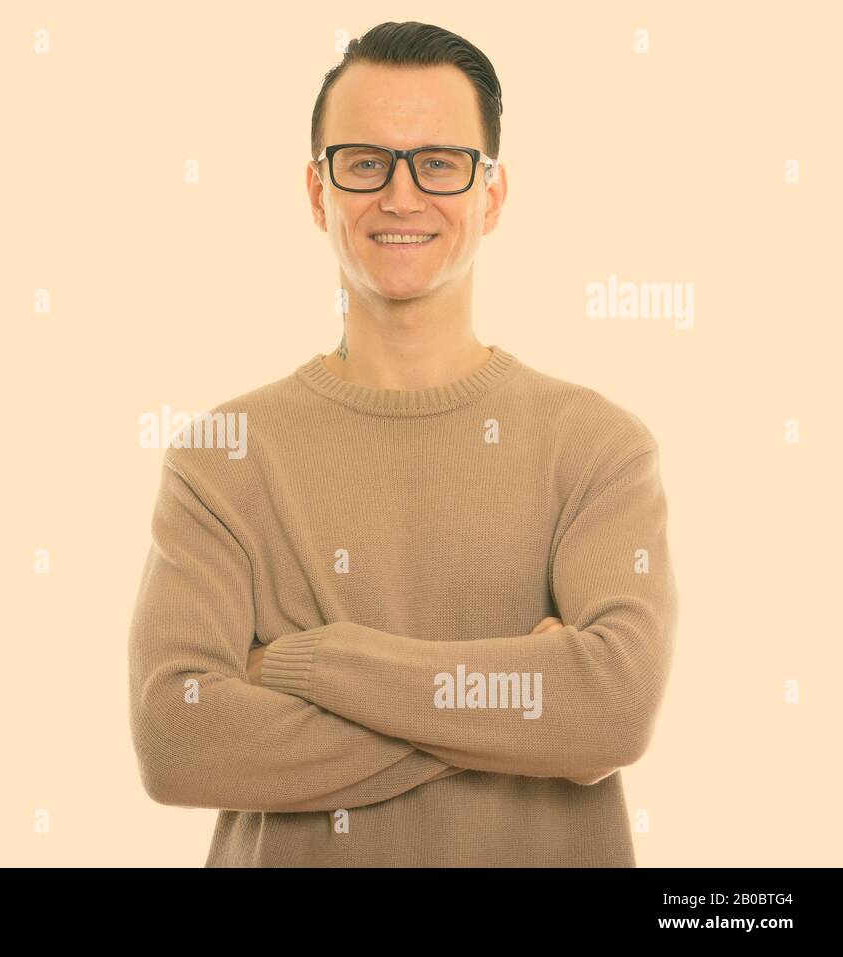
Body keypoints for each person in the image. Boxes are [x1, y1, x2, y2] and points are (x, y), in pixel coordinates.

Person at [127, 20, 678, 866]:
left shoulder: (597, 446)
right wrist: (530, 714)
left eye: (440, 162)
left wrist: (307, 665)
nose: (401, 195)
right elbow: (178, 741)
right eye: (364, 162)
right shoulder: (224, 456)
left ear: (490, 194)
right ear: (319, 192)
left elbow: (611, 711)